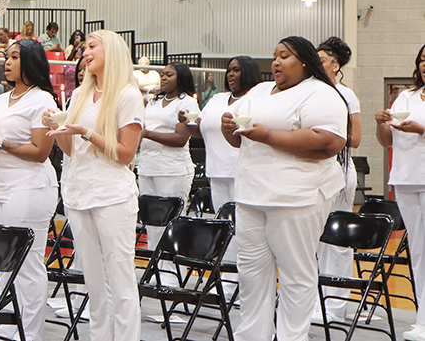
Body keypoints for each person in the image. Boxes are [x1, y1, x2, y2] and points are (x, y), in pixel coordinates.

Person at [221, 36, 348, 341]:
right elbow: (242, 138)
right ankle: (252, 336)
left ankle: (293, 336)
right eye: (274, 57)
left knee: (295, 274)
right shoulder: (262, 90)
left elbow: (330, 142)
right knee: (251, 273)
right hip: (252, 194)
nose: (276, 62)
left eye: (285, 56)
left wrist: (269, 136)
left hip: (296, 197)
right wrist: (230, 131)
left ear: (305, 61)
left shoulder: (320, 92)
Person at [42, 30, 144, 341]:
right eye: (84, 47)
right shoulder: (79, 95)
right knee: (95, 284)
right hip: (79, 193)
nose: (85, 52)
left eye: (91, 46)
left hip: (112, 195)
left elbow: (125, 153)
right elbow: (72, 150)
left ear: (110, 51)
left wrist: (86, 131)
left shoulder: (128, 95)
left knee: (121, 281)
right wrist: (58, 128)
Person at [0, 38, 59, 341]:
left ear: (30, 61)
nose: (7, 62)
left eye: (15, 57)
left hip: (29, 185)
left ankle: (28, 334)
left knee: (28, 263)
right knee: (4, 263)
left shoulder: (43, 100)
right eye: (6, 57)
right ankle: (9, 326)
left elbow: (40, 152)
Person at [183, 56, 262, 300]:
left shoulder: (256, 98)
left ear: (247, 73)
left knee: (244, 231)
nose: (230, 74)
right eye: (229, 70)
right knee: (226, 229)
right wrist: (187, 122)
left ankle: (244, 287)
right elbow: (200, 130)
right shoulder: (216, 99)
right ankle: (227, 285)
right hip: (217, 172)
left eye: (236, 70)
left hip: (244, 172)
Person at [376, 44, 425, 341]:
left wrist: (421, 130)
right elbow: (386, 141)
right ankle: (422, 317)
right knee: (417, 250)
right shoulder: (406, 96)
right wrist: (382, 124)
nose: (424, 65)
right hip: (406, 178)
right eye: (421, 60)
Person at [138, 62, 199, 284]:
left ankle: (173, 275)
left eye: (169, 75)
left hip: (171, 169)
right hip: (147, 166)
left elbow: (180, 138)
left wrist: (146, 133)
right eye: (162, 74)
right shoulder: (153, 101)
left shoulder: (187, 102)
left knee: (171, 222)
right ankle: (156, 269)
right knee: (152, 223)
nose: (163, 78)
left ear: (180, 78)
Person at [315, 37, 362, 323]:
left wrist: (331, 130)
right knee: (315, 240)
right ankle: (317, 302)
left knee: (337, 240)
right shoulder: (311, 92)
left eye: (321, 61)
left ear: (335, 65)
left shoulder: (346, 94)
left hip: (340, 171)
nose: (316, 65)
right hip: (314, 172)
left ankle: (336, 307)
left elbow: (355, 139)